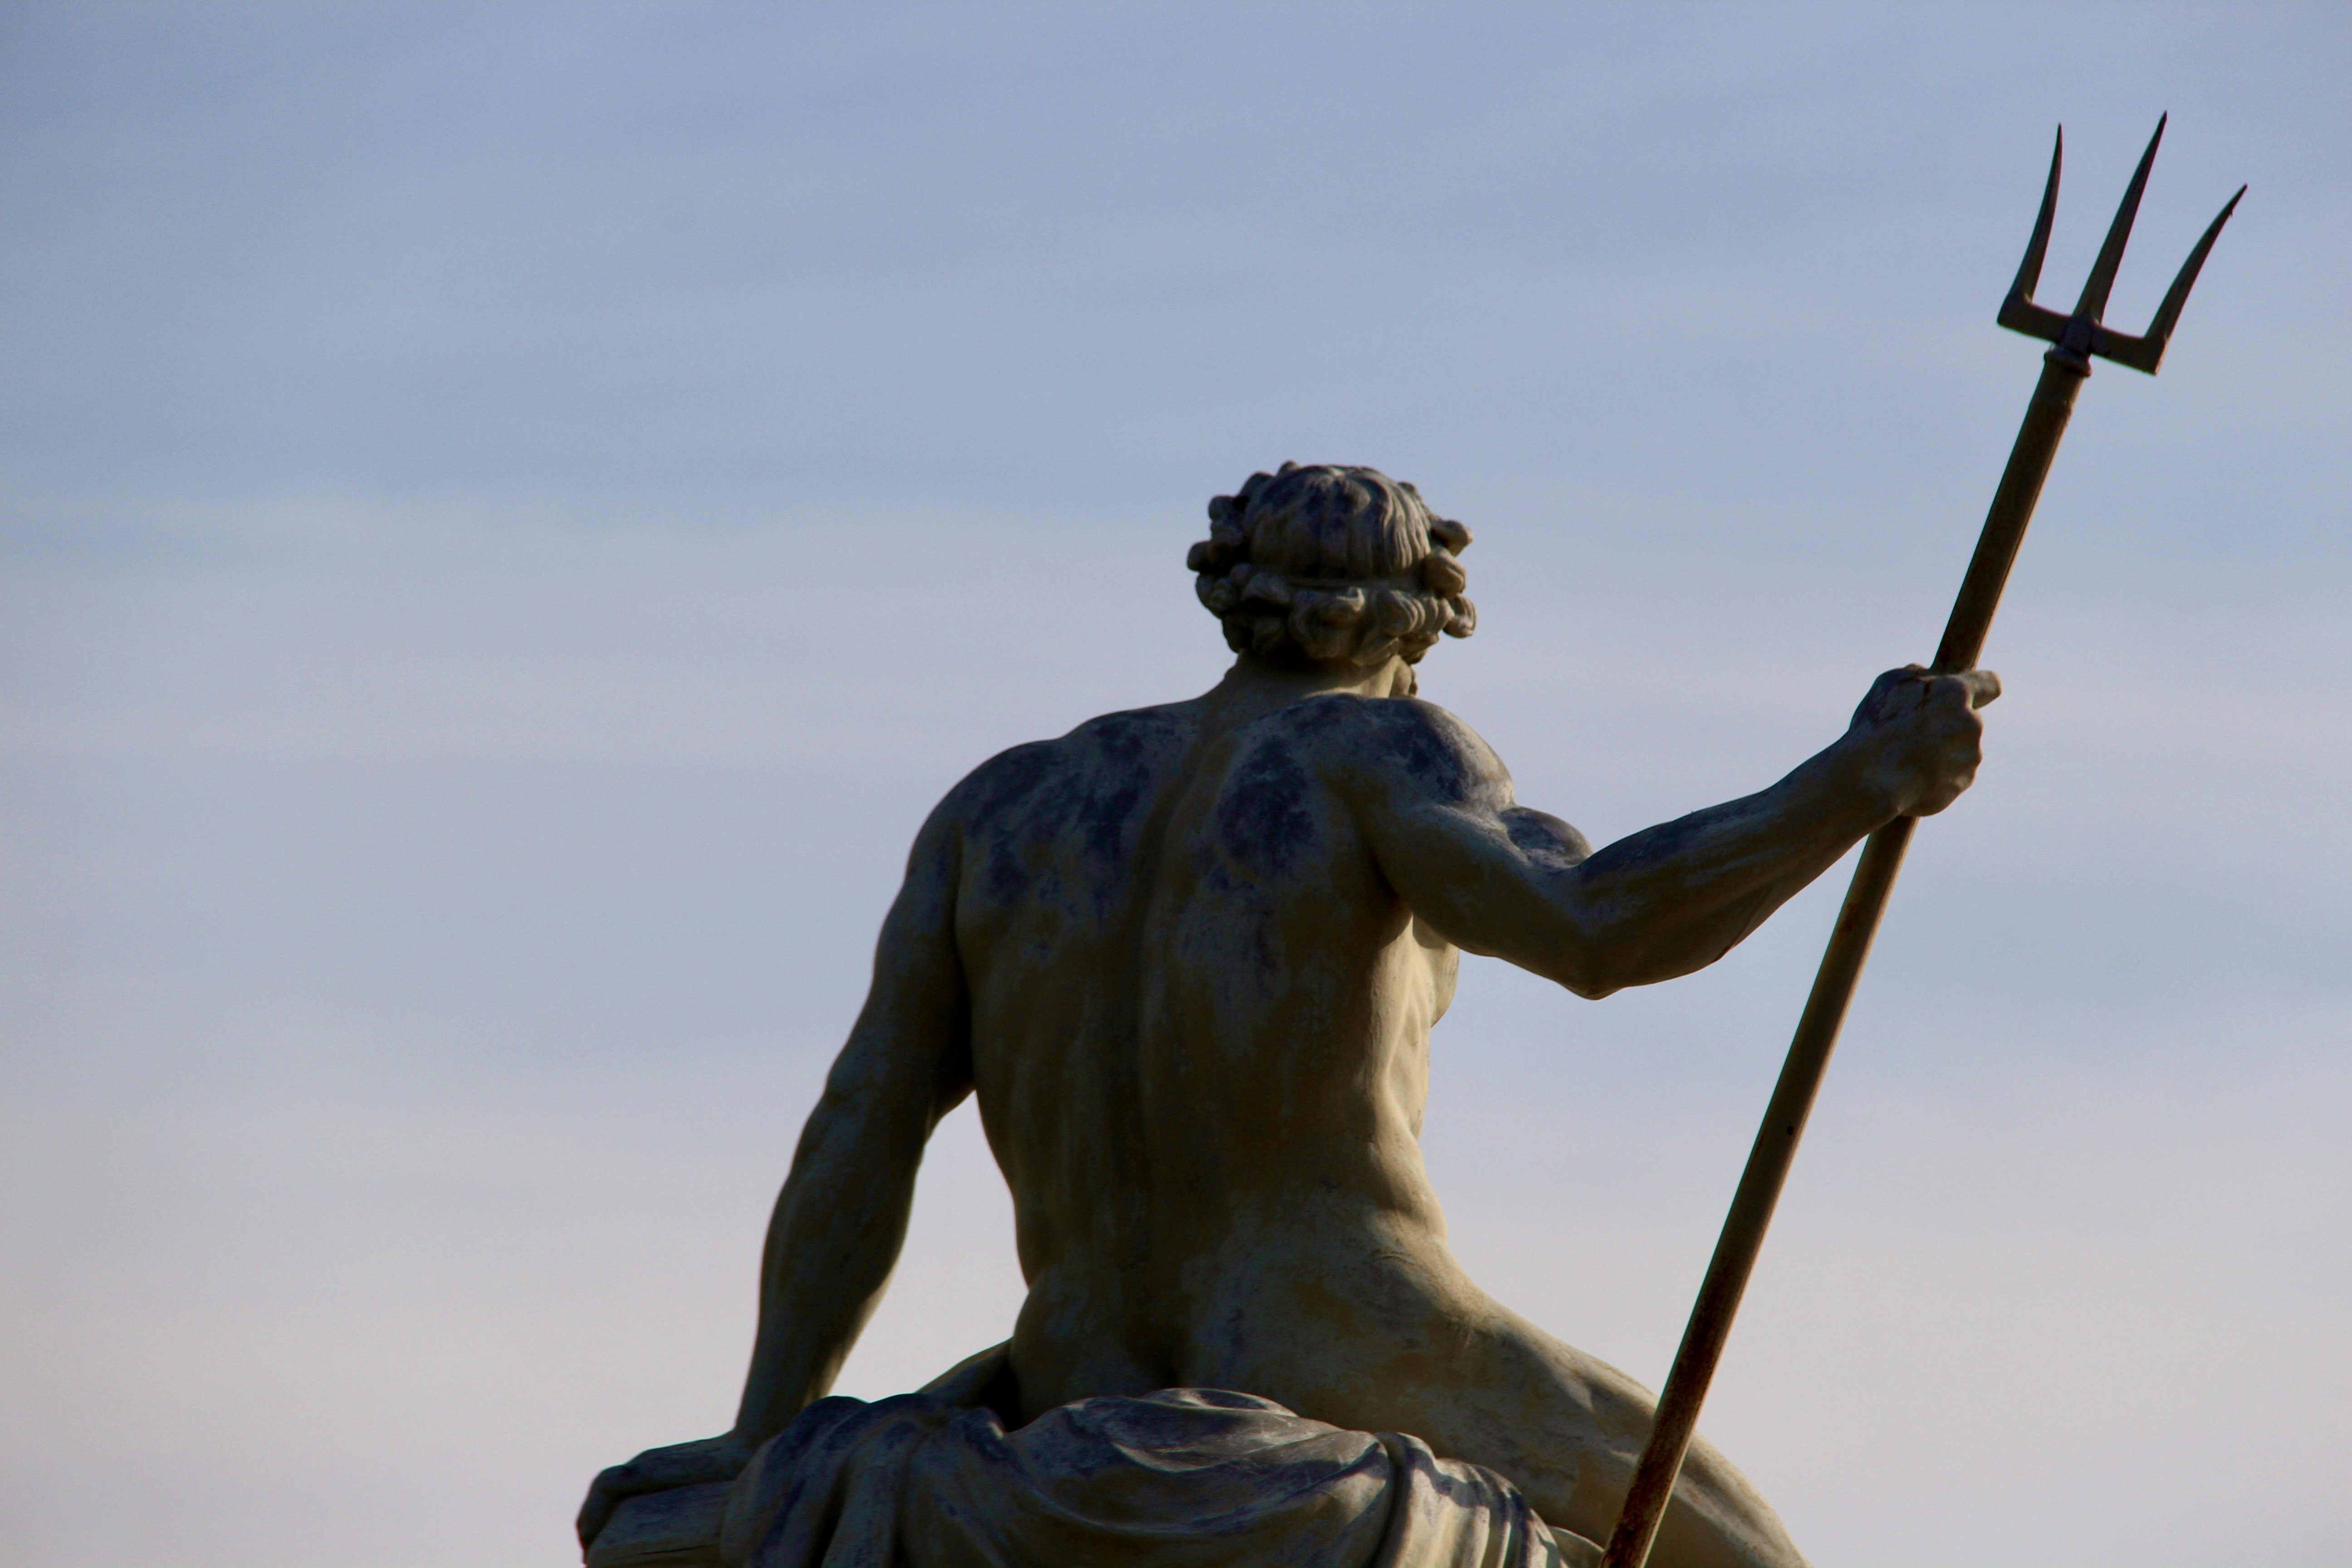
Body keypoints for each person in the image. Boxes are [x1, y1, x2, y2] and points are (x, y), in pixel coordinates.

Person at [579, 464, 1998, 1568]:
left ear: (1234, 596)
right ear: (1422, 624)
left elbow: (862, 1129)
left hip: (1072, 1359)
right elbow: (1598, 928)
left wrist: (762, 1437)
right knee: (1739, 1550)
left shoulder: (1010, 807)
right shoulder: (1385, 754)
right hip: (1339, 1332)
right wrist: (1861, 780)